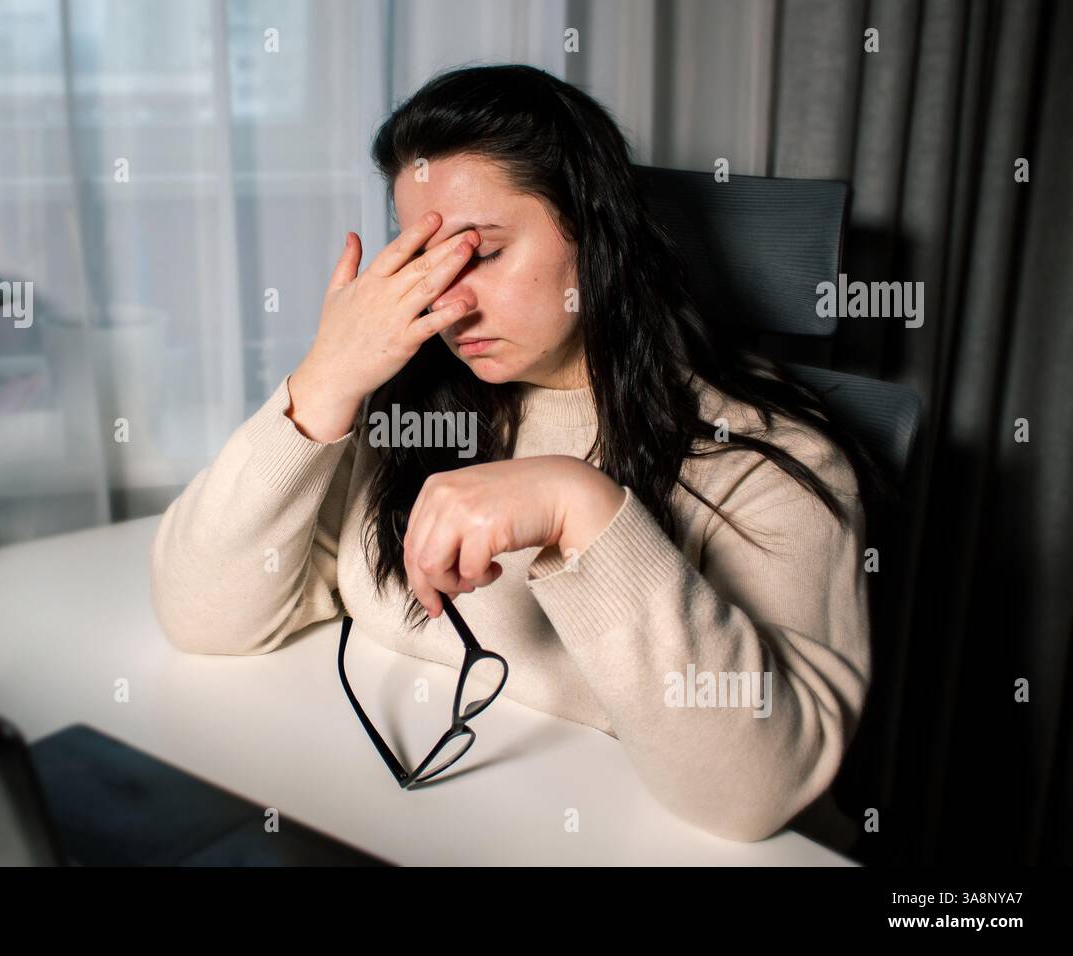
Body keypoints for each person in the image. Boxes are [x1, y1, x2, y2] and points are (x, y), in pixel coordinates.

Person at [150, 64, 885, 849]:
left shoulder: (763, 462)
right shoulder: (408, 416)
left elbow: (752, 797)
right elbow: (204, 617)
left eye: (484, 252)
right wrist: (323, 382)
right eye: (427, 263)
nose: (449, 302)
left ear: (594, 234)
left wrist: (582, 508)